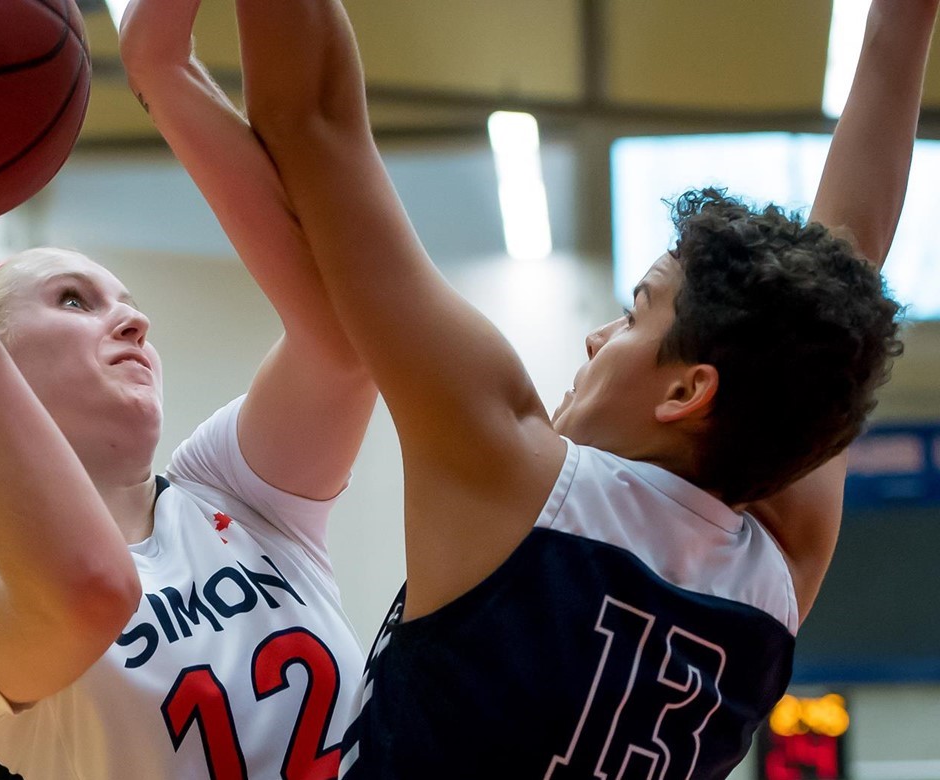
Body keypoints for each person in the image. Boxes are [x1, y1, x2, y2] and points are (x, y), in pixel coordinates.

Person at [224, 0, 939, 776]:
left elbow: (314, 120)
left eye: (634, 315)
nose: (598, 336)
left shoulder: (520, 484)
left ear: (687, 393)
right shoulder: (774, 577)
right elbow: (845, 271)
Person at [0, 0, 377, 774]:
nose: (135, 323)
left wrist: (166, 71)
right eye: (75, 301)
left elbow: (342, 341)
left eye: (128, 304)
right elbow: (89, 589)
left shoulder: (229, 494)